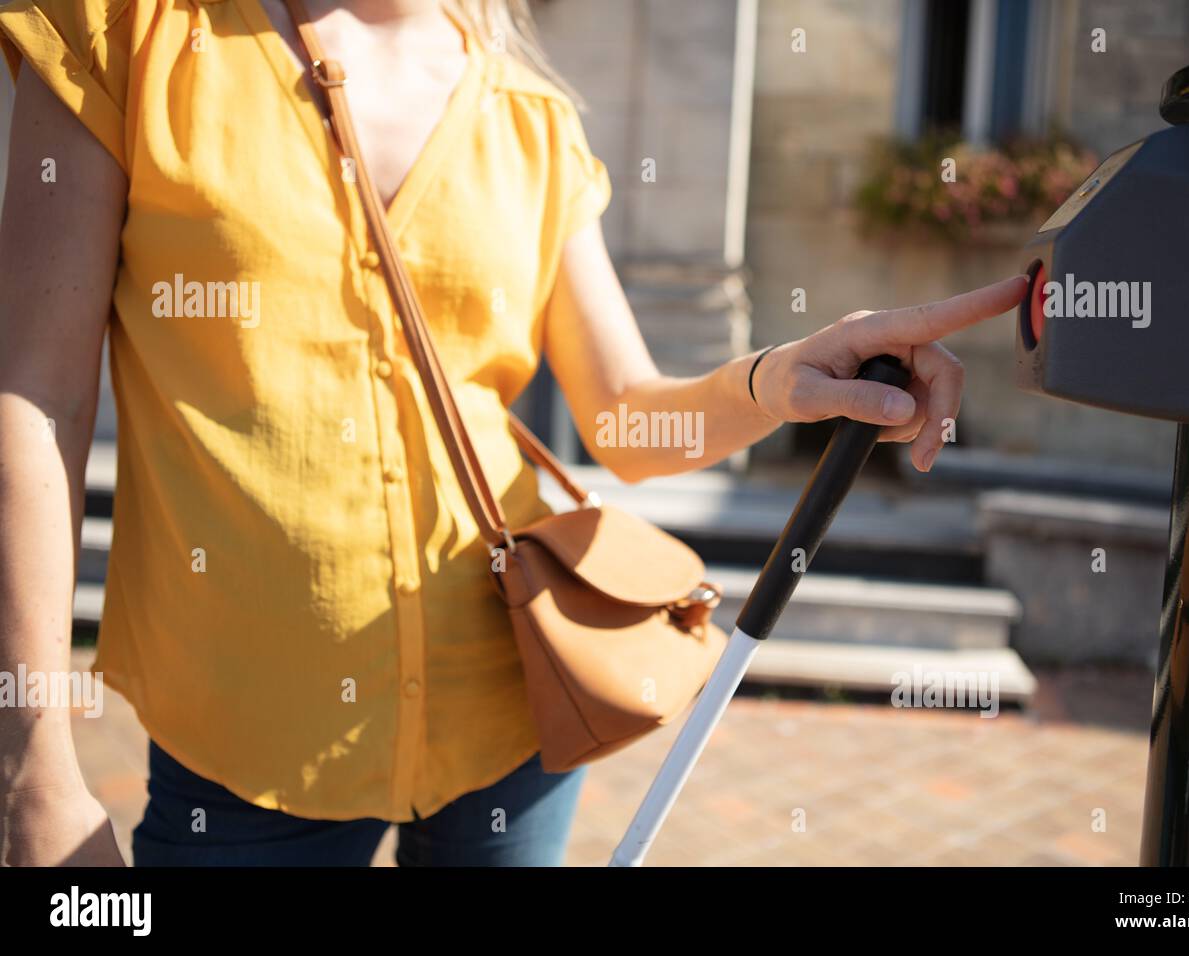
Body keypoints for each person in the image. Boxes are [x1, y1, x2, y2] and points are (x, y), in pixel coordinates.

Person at [0, 0, 1028, 866]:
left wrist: (779, 380)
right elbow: (35, 394)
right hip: (245, 744)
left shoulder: (526, 113)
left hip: (512, 720)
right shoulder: (128, 34)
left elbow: (625, 412)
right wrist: (31, 768)